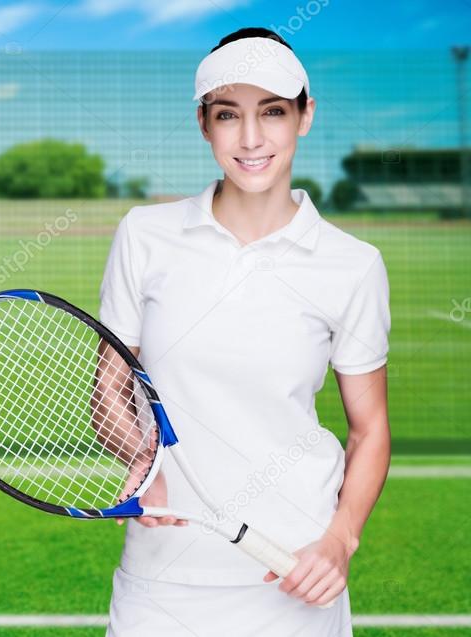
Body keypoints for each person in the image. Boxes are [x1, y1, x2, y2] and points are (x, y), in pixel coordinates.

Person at [99, 27, 391, 636]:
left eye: (273, 112)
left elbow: (370, 430)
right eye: (228, 114)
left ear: (305, 116)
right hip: (161, 578)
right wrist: (142, 459)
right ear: (204, 124)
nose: (251, 138)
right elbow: (109, 385)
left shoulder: (353, 264)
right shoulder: (145, 234)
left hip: (295, 574)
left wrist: (340, 540)